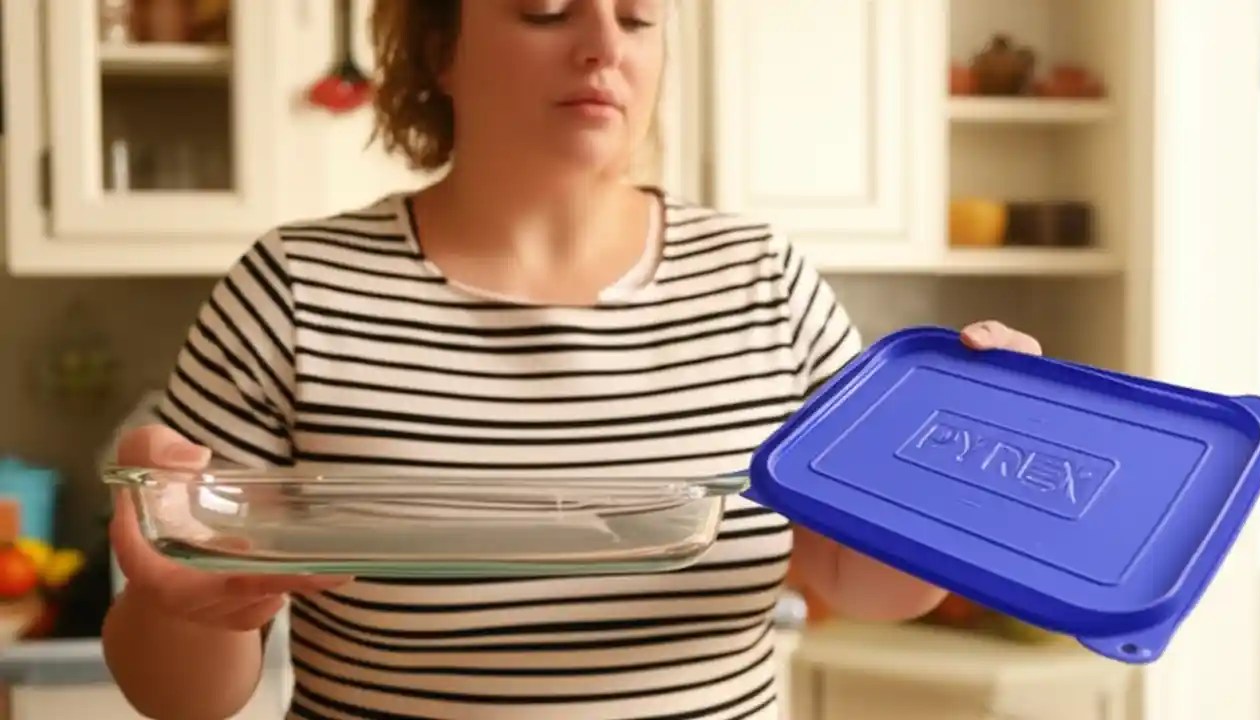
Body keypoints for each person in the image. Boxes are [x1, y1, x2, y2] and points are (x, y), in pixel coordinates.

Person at [101, 1, 1044, 718]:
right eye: (547, 6)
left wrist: (962, 471)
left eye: (639, 15)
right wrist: (185, 609)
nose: (605, 43)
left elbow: (859, 579)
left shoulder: (766, 281)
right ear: (438, 48)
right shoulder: (295, 290)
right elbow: (178, 696)